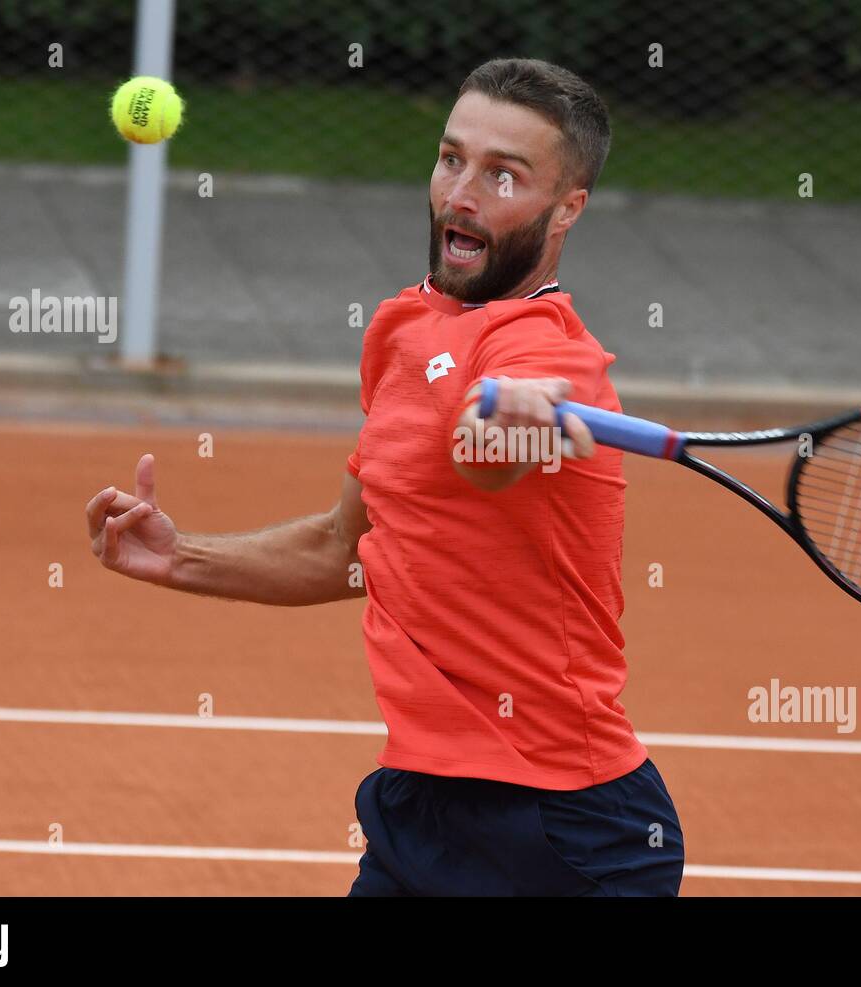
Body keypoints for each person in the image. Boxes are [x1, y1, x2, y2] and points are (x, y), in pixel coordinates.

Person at [85, 58, 684, 896]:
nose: (461, 193)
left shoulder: (552, 356)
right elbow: (348, 546)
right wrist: (180, 557)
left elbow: (486, 462)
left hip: (559, 829)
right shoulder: (404, 329)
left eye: (503, 175)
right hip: (418, 809)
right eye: (451, 158)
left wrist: (499, 426)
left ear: (567, 208)